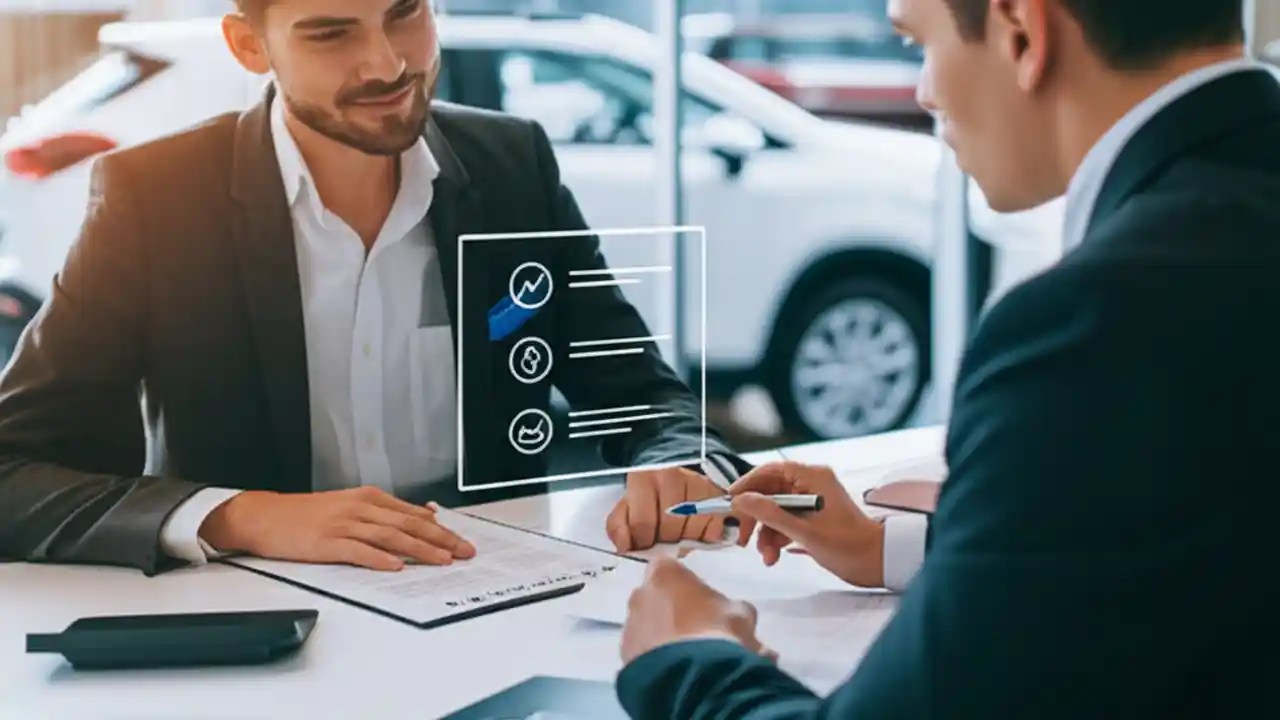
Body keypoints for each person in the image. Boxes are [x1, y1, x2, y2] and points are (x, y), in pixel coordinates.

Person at [616, 0, 1280, 716]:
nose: (925, 92)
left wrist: (688, 658)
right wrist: (899, 549)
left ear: (1022, 32)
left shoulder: (1094, 323)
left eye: (919, 44)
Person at [0, 0, 742, 575]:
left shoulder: (512, 165)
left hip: (501, 611)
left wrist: (678, 462)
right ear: (250, 46)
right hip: (261, 634)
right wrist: (242, 516)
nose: (388, 64)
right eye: (332, 34)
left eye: (405, 14)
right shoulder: (156, 199)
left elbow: (642, 393)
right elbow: (13, 474)